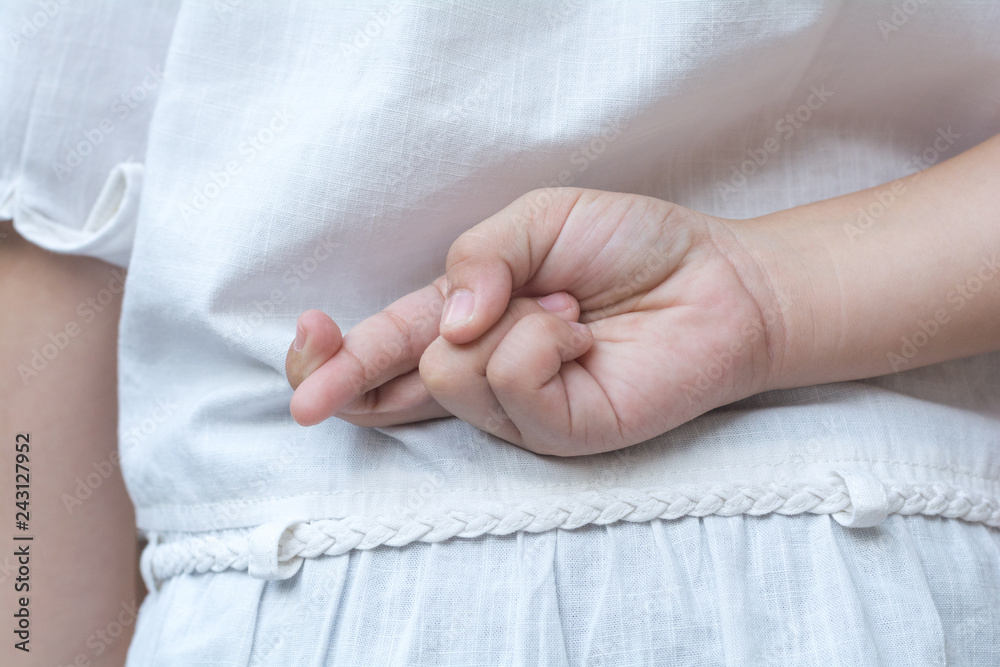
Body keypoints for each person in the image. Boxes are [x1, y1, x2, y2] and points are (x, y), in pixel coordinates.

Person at [2, 1, 998, 665]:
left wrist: (764, 299)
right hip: (878, 580)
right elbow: (53, 226)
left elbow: (52, 227)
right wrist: (765, 293)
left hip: (298, 601)